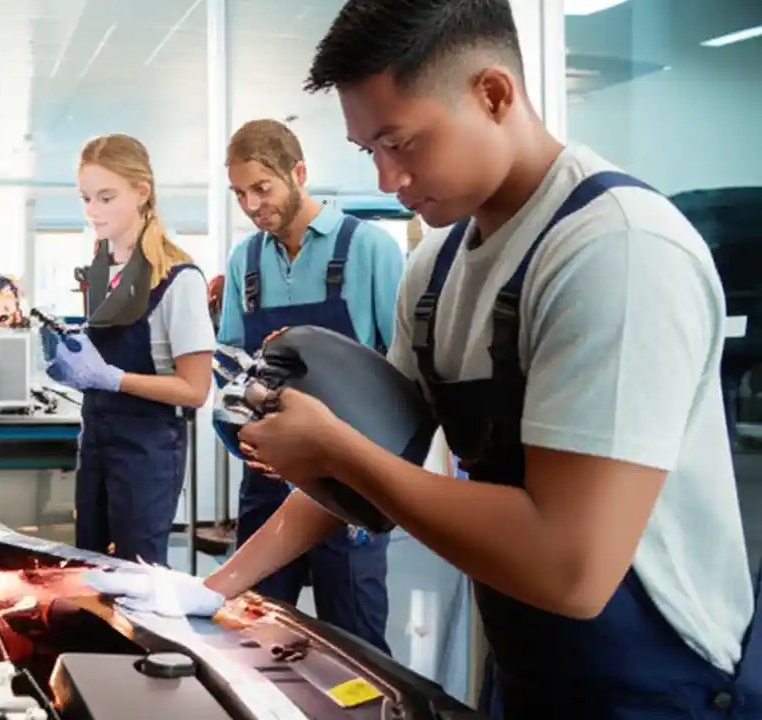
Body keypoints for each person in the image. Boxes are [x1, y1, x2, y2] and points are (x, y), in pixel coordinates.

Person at [87, 2, 762, 718]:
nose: (386, 179)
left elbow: (572, 568)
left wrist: (332, 447)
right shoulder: (436, 269)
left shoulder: (615, 253)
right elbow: (376, 455)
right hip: (528, 660)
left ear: (494, 95)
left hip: (663, 685)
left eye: (401, 143)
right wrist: (216, 587)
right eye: (368, 151)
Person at [218, 118, 404, 653]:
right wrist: (242, 437)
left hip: (348, 483)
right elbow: (228, 365)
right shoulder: (243, 262)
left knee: (356, 644)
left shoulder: (371, 250)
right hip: (266, 479)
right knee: (250, 635)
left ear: (298, 173)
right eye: (239, 194)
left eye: (262, 188)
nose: (252, 205)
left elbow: (401, 379)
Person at [44, 133, 216, 566]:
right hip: (97, 442)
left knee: (138, 581)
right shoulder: (101, 271)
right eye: (86, 198)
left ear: (142, 192)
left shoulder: (179, 279)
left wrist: (112, 379)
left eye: (106, 197)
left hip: (147, 451)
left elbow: (195, 390)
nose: (93, 212)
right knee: (90, 571)